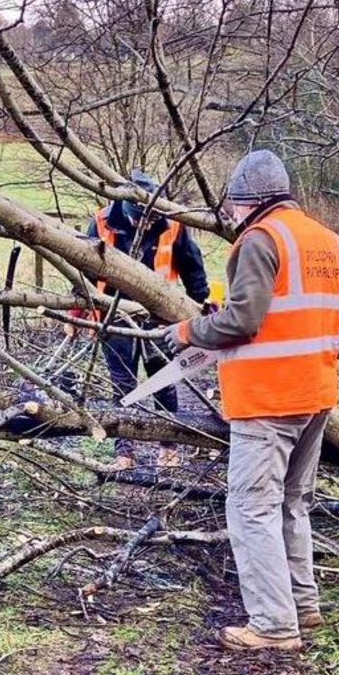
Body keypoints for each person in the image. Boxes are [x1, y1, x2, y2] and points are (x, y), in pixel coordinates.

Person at [167, 149, 339, 652]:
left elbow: (242, 322)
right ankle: (303, 604)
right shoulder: (327, 241)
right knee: (293, 502)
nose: (230, 215)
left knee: (252, 508)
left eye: (232, 206)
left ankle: (273, 625)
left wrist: (190, 330)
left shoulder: (260, 239)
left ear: (247, 201)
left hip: (268, 398)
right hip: (316, 392)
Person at [69, 170, 213, 470]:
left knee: (163, 381)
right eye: (139, 218)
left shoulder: (172, 223)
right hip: (113, 315)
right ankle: (125, 452)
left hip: (158, 319)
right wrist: (76, 313)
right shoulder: (102, 222)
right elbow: (83, 270)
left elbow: (192, 266)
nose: (144, 224)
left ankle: (169, 446)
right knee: (122, 386)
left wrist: (199, 306)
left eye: (148, 218)